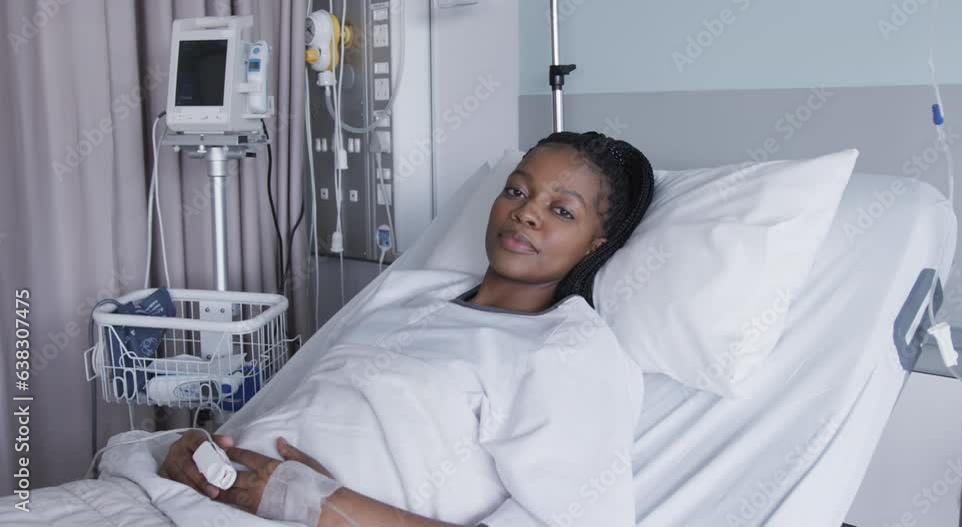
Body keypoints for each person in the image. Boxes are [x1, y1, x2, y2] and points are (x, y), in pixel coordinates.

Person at [159, 131, 656, 526]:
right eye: (517, 190)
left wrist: (324, 507)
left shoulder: (570, 352)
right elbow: (294, 404)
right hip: (196, 498)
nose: (526, 212)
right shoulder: (410, 295)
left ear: (596, 244)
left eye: (561, 210)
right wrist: (197, 449)